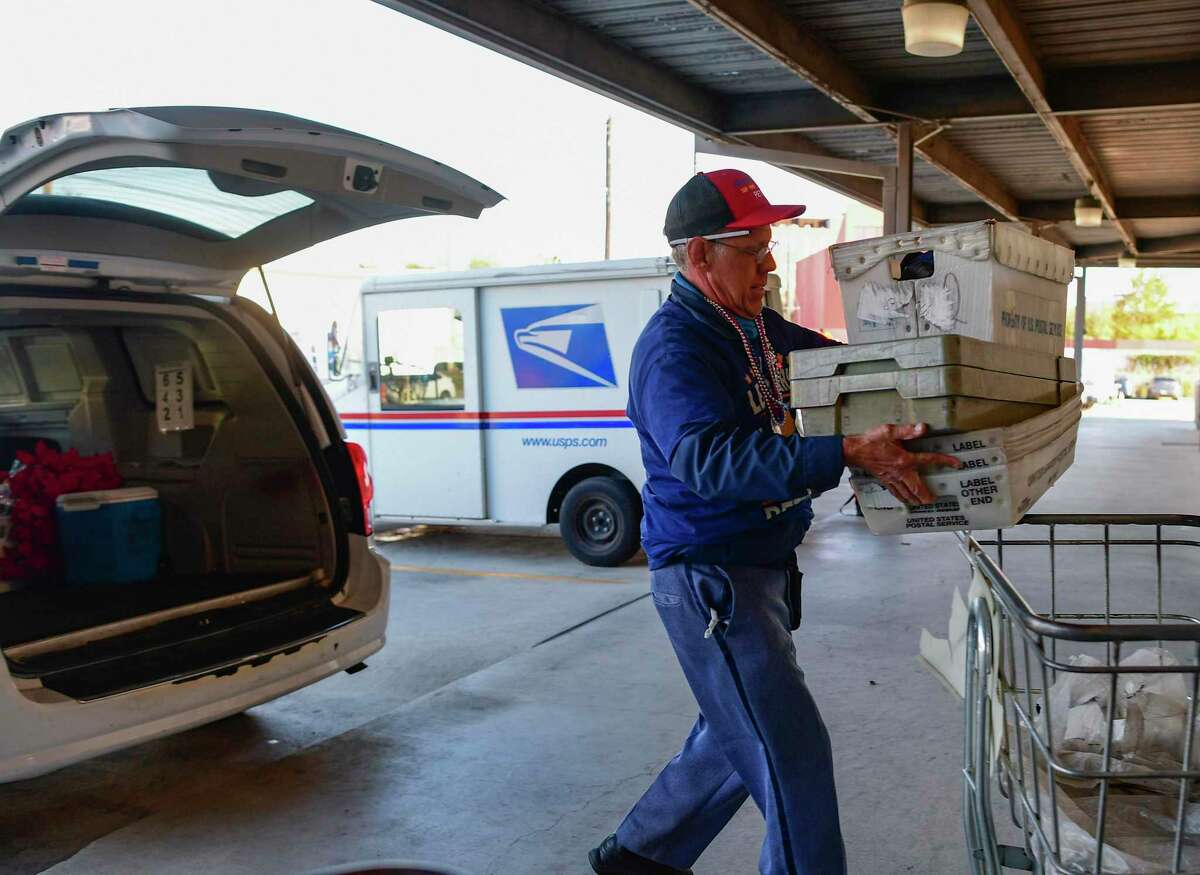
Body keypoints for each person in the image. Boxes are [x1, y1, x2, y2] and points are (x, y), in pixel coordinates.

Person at [588, 170, 961, 875]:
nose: (769, 262)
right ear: (701, 255)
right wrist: (846, 451)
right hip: (710, 580)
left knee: (735, 736)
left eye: (769, 244)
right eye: (753, 247)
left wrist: (925, 356)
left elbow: (835, 363)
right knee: (789, 755)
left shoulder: (752, 325)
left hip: (756, 572)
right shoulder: (675, 350)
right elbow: (710, 461)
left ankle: (637, 857)